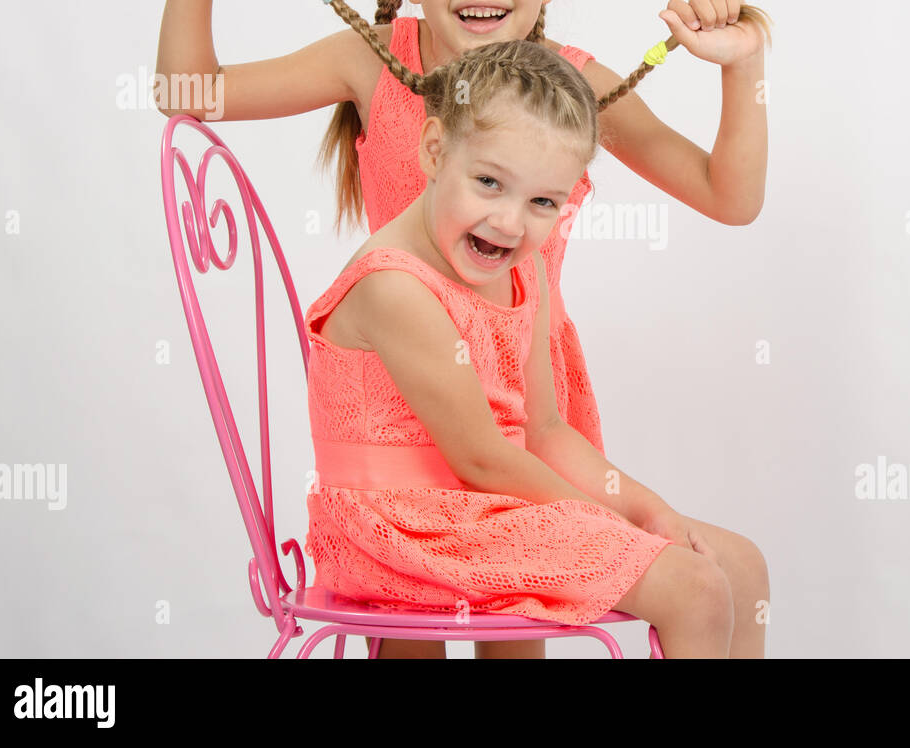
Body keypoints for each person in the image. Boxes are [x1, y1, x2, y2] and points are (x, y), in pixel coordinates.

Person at [155, 0, 771, 656]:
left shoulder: (574, 88)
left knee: (538, 632)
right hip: (406, 401)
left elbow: (729, 198)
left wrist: (742, 69)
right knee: (418, 638)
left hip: (525, 393)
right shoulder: (371, 63)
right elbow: (185, 94)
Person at [303, 39, 768, 658]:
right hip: (406, 528)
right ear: (435, 149)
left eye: (543, 202)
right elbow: (485, 460)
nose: (510, 223)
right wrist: (612, 525)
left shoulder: (525, 272)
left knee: (740, 565)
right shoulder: (396, 286)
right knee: (695, 590)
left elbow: (545, 430)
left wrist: (648, 510)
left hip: (482, 511)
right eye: (489, 182)